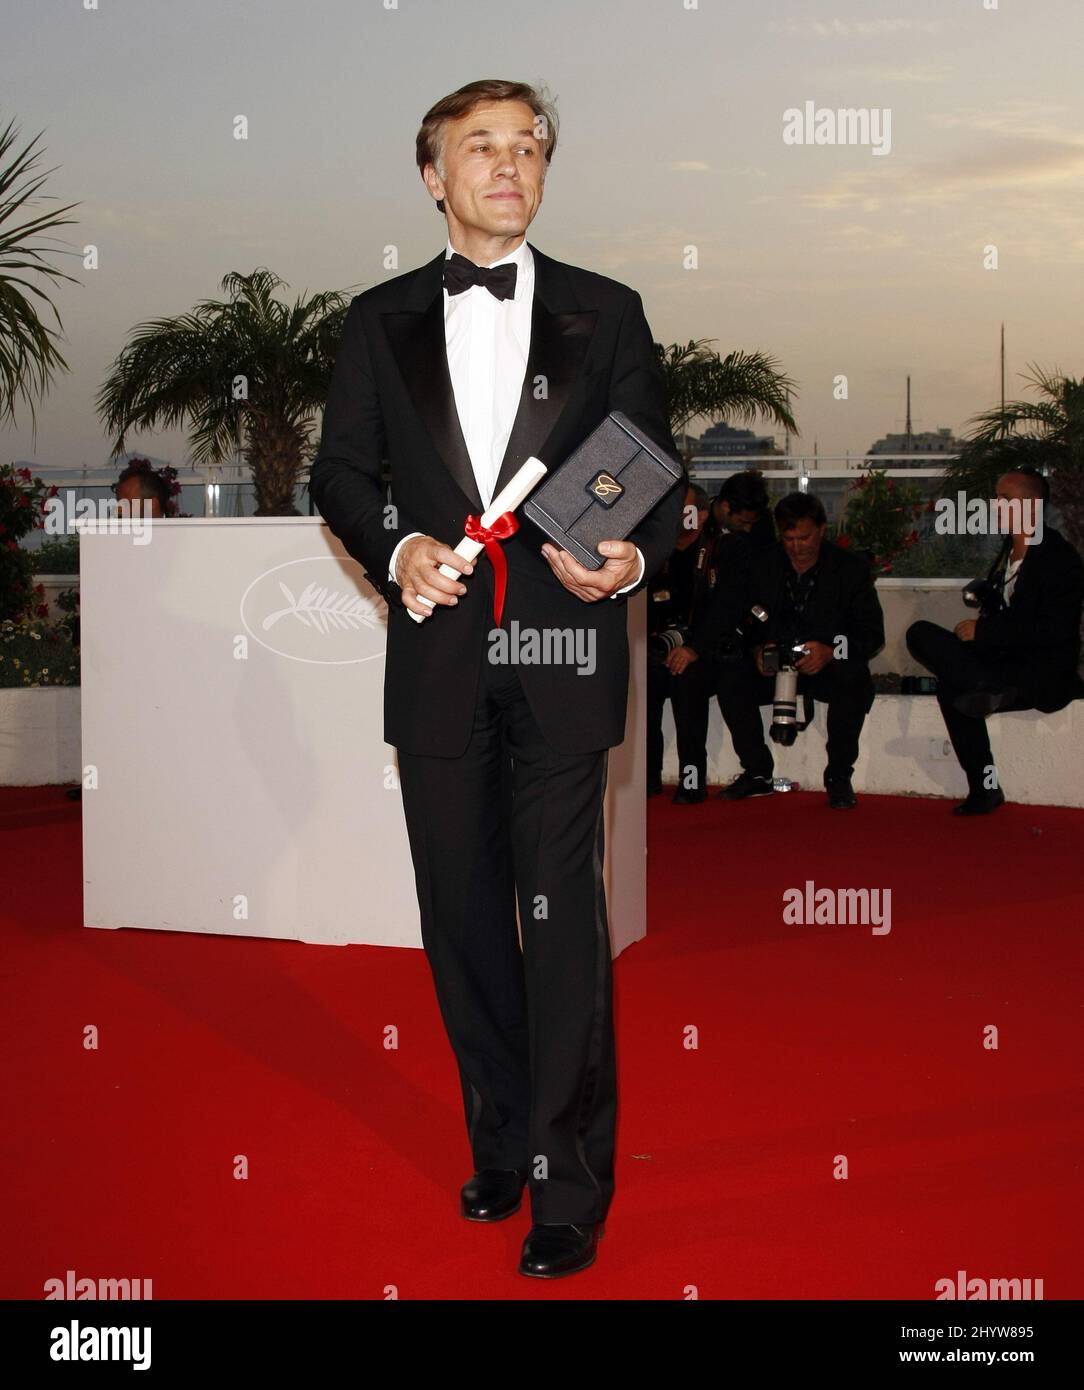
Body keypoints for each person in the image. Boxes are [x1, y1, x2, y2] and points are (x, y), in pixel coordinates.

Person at [309, 79, 685, 1279]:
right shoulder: (376, 320)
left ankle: (568, 1185)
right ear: (435, 177)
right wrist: (396, 547)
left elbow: (652, 470)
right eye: (482, 146)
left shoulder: (607, 310)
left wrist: (629, 556)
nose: (510, 163)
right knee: (461, 918)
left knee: (559, 919)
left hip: (567, 657)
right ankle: (503, 1137)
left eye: (528, 145)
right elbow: (340, 474)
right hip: (439, 658)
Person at [906, 467, 1084, 814]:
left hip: (1038, 672)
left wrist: (984, 633)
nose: (996, 505)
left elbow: (1055, 631)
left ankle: (984, 779)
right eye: (996, 498)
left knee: (953, 690)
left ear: (1032, 506)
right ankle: (986, 782)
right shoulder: (1008, 552)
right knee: (921, 634)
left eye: (1005, 499)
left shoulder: (1058, 558)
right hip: (1002, 664)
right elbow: (1009, 617)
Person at [696, 491, 885, 808]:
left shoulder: (850, 569)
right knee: (730, 674)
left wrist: (829, 650)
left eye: (805, 538)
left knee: (853, 677)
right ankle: (757, 772)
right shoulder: (763, 565)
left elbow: (871, 634)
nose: (797, 547)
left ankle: (839, 776)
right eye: (789, 538)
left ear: (823, 530)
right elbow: (741, 619)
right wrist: (757, 649)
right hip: (774, 664)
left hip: (826, 665)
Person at [647, 484, 716, 802]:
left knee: (687, 682)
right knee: (642, 679)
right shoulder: (656, 554)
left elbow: (726, 611)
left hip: (703, 653)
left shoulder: (717, 550)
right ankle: (647, 779)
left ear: (700, 515)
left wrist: (693, 648)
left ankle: (692, 781)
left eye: (682, 509)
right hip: (658, 650)